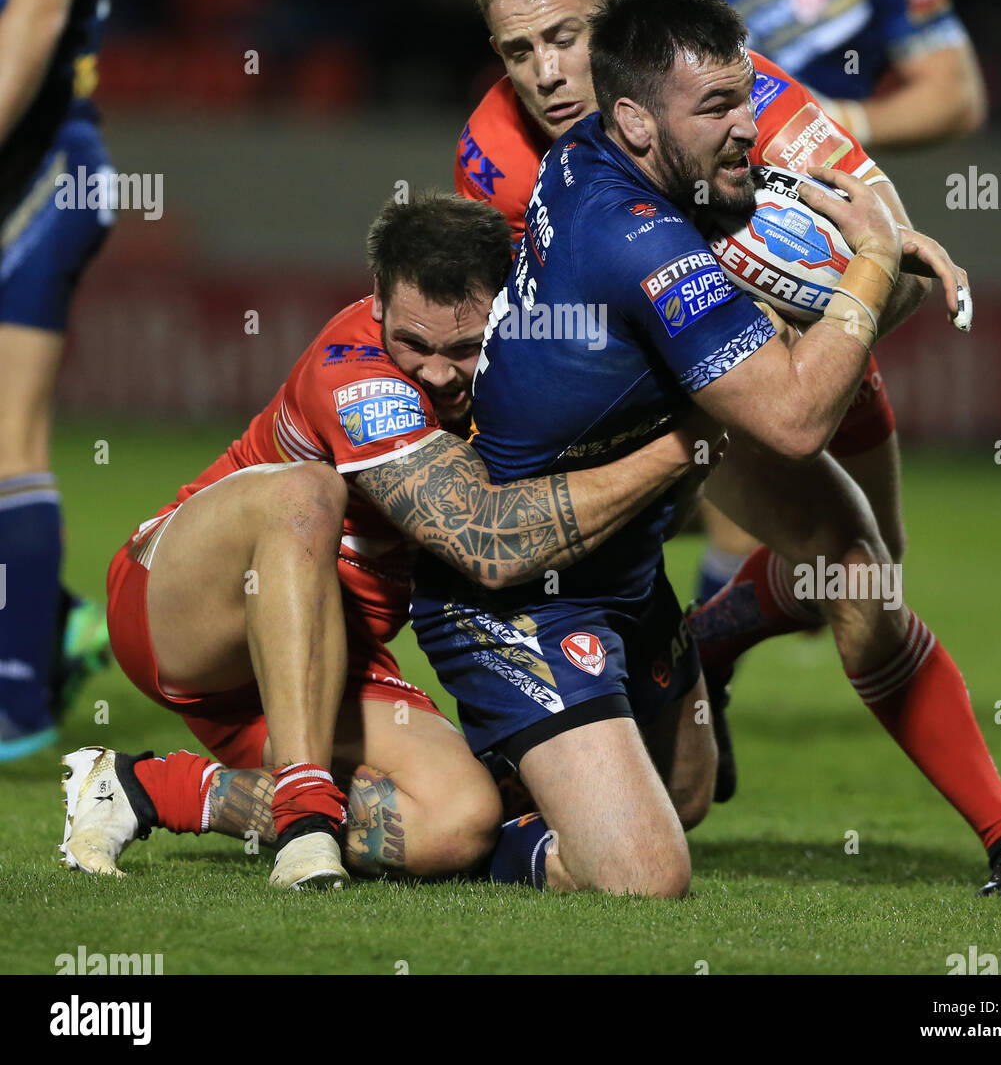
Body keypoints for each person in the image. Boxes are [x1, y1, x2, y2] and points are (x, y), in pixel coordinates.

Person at [453, 0, 1001, 898]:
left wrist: (821, 305)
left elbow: (898, 264)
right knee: (849, 572)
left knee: (861, 591)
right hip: (678, 399)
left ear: (614, 18)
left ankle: (712, 635)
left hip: (801, 360)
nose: (547, 73)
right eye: (517, 50)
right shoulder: (494, 158)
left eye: (565, 36)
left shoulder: (738, 92)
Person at [59, 195, 713, 890]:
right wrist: (684, 445)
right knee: (306, 493)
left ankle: (146, 788)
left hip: (324, 658)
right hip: (183, 612)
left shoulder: (531, 358)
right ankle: (305, 822)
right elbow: (487, 543)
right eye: (414, 344)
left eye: (463, 348)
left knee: (457, 821)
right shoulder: (356, 374)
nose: (437, 373)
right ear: (377, 301)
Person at [626, 0, 989, 614]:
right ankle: (691, 653)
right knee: (763, 486)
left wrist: (841, 117)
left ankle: (700, 619)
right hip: (695, 229)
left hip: (815, 235)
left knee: (859, 559)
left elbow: (956, 93)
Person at [0, 0, 125, 760]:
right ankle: (54, 619)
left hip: (43, 169)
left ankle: (17, 707)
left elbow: (33, 22)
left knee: (11, 433)